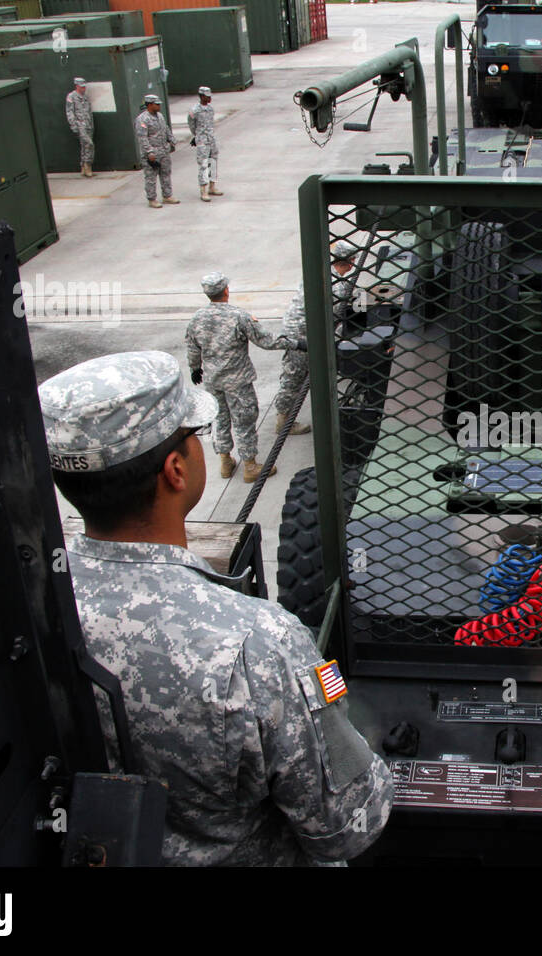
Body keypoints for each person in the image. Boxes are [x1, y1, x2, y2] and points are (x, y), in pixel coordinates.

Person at [38, 350, 393, 865]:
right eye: (195, 435)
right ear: (176, 469)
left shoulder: (30, 604)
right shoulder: (258, 643)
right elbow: (349, 824)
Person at [186, 272, 293, 482]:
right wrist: (294, 343)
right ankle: (250, 466)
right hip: (238, 381)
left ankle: (225, 462)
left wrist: (195, 368)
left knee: (220, 419)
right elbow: (266, 341)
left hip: (213, 380)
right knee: (244, 420)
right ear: (226, 290)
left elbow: (192, 347)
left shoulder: (197, 318)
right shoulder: (238, 316)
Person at [274, 241, 356, 436]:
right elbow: (337, 315)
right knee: (294, 377)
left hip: (298, 327)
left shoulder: (321, 271)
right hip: (302, 333)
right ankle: (283, 421)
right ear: (350, 262)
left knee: (296, 374)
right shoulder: (338, 286)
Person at [135, 93, 177, 208]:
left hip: (163, 151)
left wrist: (172, 140)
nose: (159, 106)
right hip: (152, 154)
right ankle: (152, 199)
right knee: (151, 177)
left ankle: (167, 196)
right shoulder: (142, 119)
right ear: (149, 105)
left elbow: (166, 129)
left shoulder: (160, 116)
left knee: (166, 174)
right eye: (156, 104)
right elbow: (142, 138)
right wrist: (149, 152)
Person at [188, 86, 223, 203]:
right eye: (207, 97)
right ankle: (203, 190)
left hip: (211, 139)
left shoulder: (210, 109)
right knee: (203, 164)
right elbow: (192, 125)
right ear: (201, 96)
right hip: (202, 140)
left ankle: (212, 186)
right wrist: (197, 136)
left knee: (213, 162)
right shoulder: (194, 110)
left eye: (210, 96)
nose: (209, 99)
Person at [65, 77, 94, 178]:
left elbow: (89, 112)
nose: (83, 89)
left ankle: (83, 167)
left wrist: (91, 124)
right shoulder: (71, 97)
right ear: (77, 86)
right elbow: (69, 112)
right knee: (89, 144)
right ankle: (88, 165)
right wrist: (73, 125)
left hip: (88, 125)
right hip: (80, 124)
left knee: (84, 146)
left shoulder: (85, 97)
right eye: (81, 87)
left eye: (84, 87)